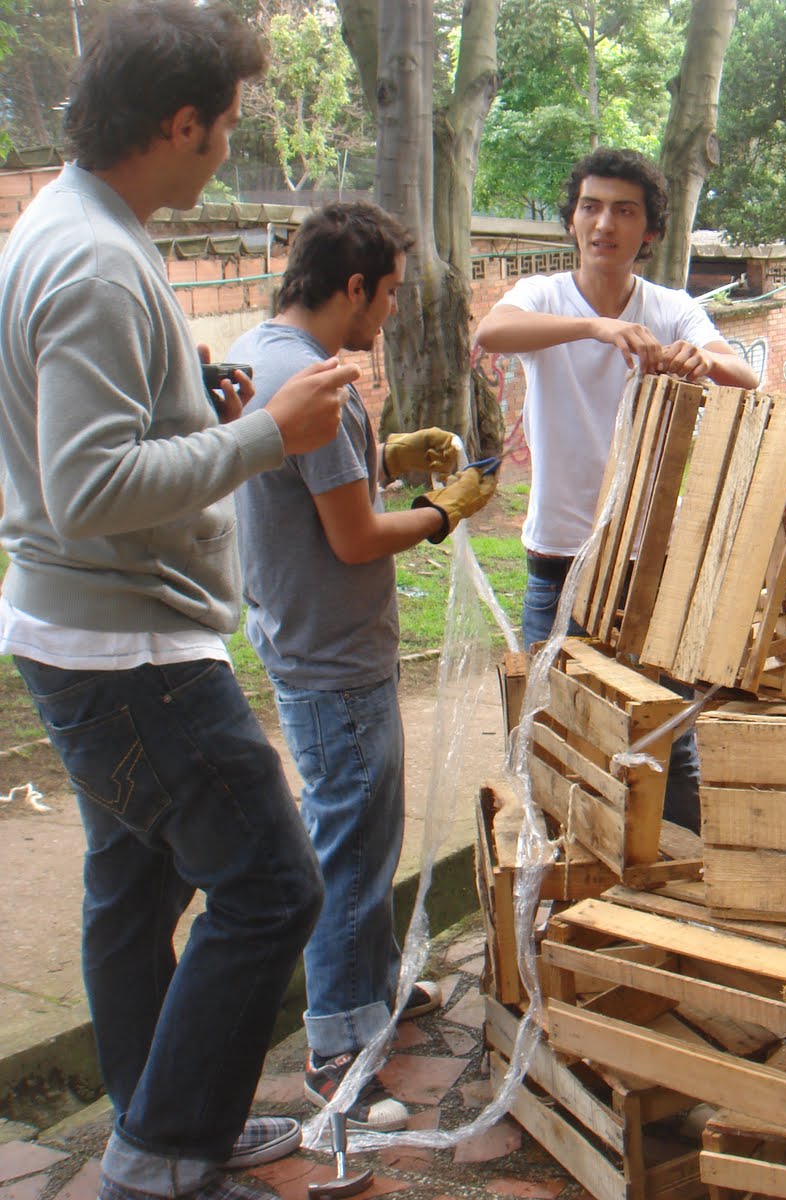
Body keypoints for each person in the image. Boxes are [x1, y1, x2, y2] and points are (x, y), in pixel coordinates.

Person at [0, 5, 364, 1199]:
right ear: (180, 122)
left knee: (133, 881)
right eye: (224, 132)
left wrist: (189, 406)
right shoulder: (96, 261)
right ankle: (162, 1156)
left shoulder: (65, 227)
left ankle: (157, 1119)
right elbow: (89, 485)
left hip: (84, 632)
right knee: (273, 884)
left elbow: (86, 441)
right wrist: (269, 431)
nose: (226, 154)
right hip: (131, 648)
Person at [230, 202, 497, 1131]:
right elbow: (352, 538)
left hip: (304, 639)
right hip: (333, 656)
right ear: (352, 288)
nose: (387, 314)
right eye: (385, 295)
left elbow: (309, 483)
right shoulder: (321, 381)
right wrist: (442, 509)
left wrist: (384, 456)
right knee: (349, 849)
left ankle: (372, 985)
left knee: (364, 831)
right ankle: (337, 1040)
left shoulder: (265, 355)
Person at [474, 148, 758, 832]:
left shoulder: (670, 307)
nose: (605, 223)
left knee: (669, 743)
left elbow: (742, 376)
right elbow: (490, 331)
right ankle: (564, 912)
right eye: (591, 207)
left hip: (650, 569)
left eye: (624, 211)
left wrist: (700, 359)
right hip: (560, 562)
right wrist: (596, 326)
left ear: (648, 233)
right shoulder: (543, 298)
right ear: (573, 220)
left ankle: (680, 897)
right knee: (555, 737)